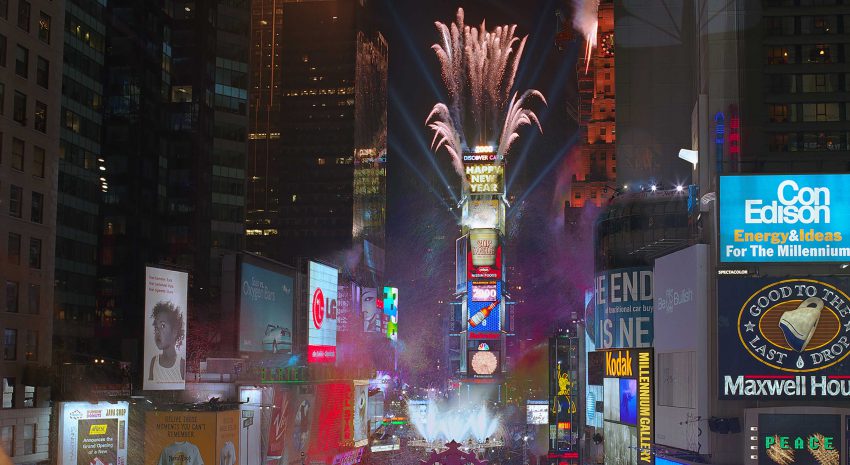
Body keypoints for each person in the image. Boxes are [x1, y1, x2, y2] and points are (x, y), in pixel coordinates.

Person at [149, 300, 186, 383]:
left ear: (174, 331)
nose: (158, 331)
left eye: (162, 326)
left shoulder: (181, 364)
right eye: (156, 327)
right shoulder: (154, 361)